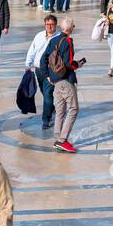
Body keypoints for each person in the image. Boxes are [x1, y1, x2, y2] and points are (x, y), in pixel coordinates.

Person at [46, 17, 85, 153]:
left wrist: (48, 76)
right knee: (74, 108)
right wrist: (78, 65)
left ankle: (58, 138)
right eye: (73, 26)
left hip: (55, 80)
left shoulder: (53, 40)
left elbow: (44, 59)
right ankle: (62, 140)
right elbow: (69, 64)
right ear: (70, 28)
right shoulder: (67, 41)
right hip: (65, 79)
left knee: (60, 111)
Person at [24, 15, 62, 131]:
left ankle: (46, 119)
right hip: (38, 70)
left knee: (47, 94)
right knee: (44, 92)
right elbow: (32, 50)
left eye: (52, 24)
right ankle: (52, 108)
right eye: (47, 24)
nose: (49, 27)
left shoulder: (60, 37)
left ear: (56, 25)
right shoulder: (39, 35)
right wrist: (28, 64)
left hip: (50, 71)